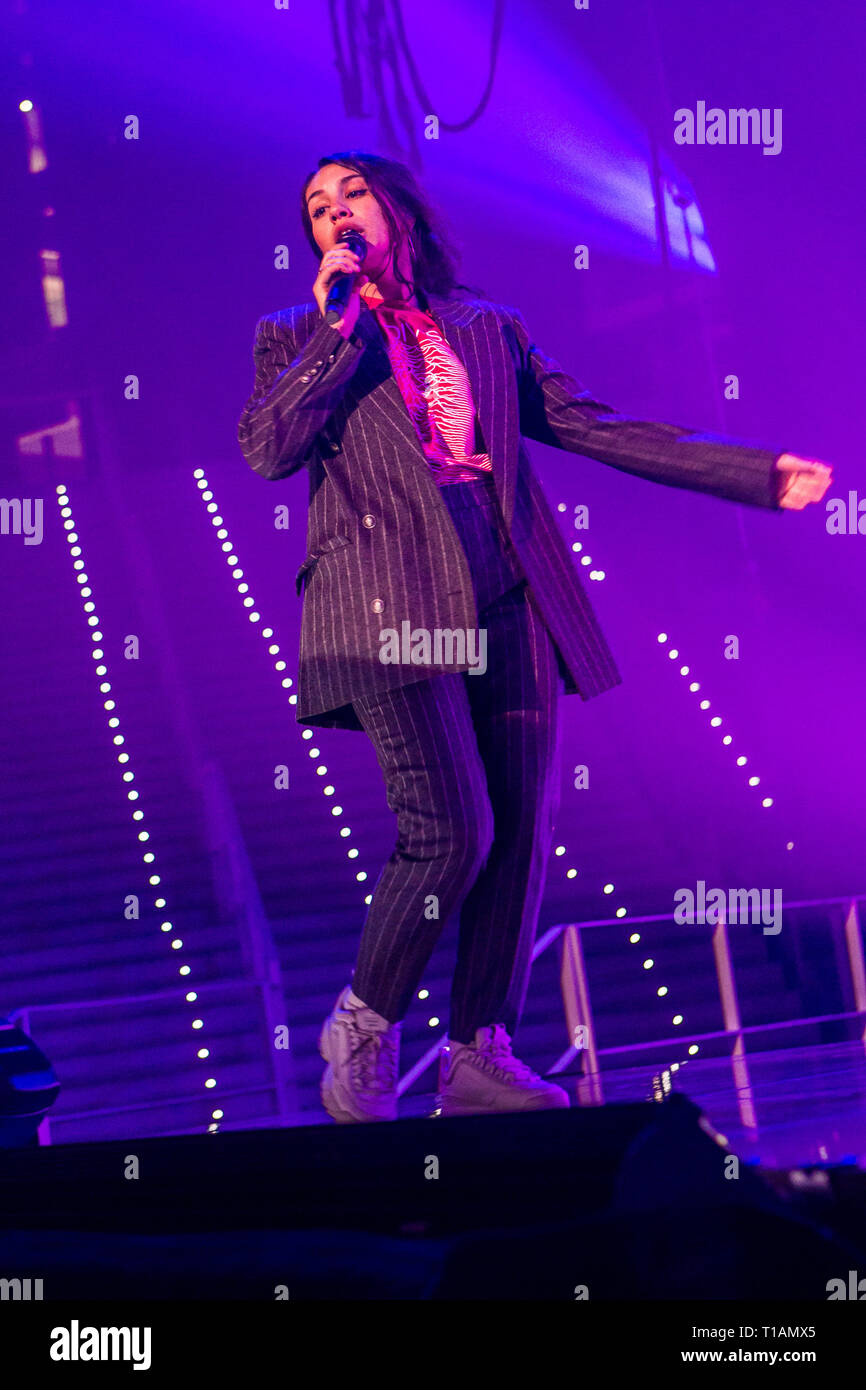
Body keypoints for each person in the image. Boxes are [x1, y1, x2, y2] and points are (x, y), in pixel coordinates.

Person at [238, 150, 831, 1124]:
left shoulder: (485, 327)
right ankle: (365, 1019)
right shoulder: (296, 335)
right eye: (314, 207)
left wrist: (750, 472)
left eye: (350, 194)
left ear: (399, 212)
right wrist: (340, 328)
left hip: (509, 589)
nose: (333, 213)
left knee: (517, 830)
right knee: (451, 828)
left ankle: (476, 1049)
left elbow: (599, 428)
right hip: (387, 602)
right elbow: (266, 447)